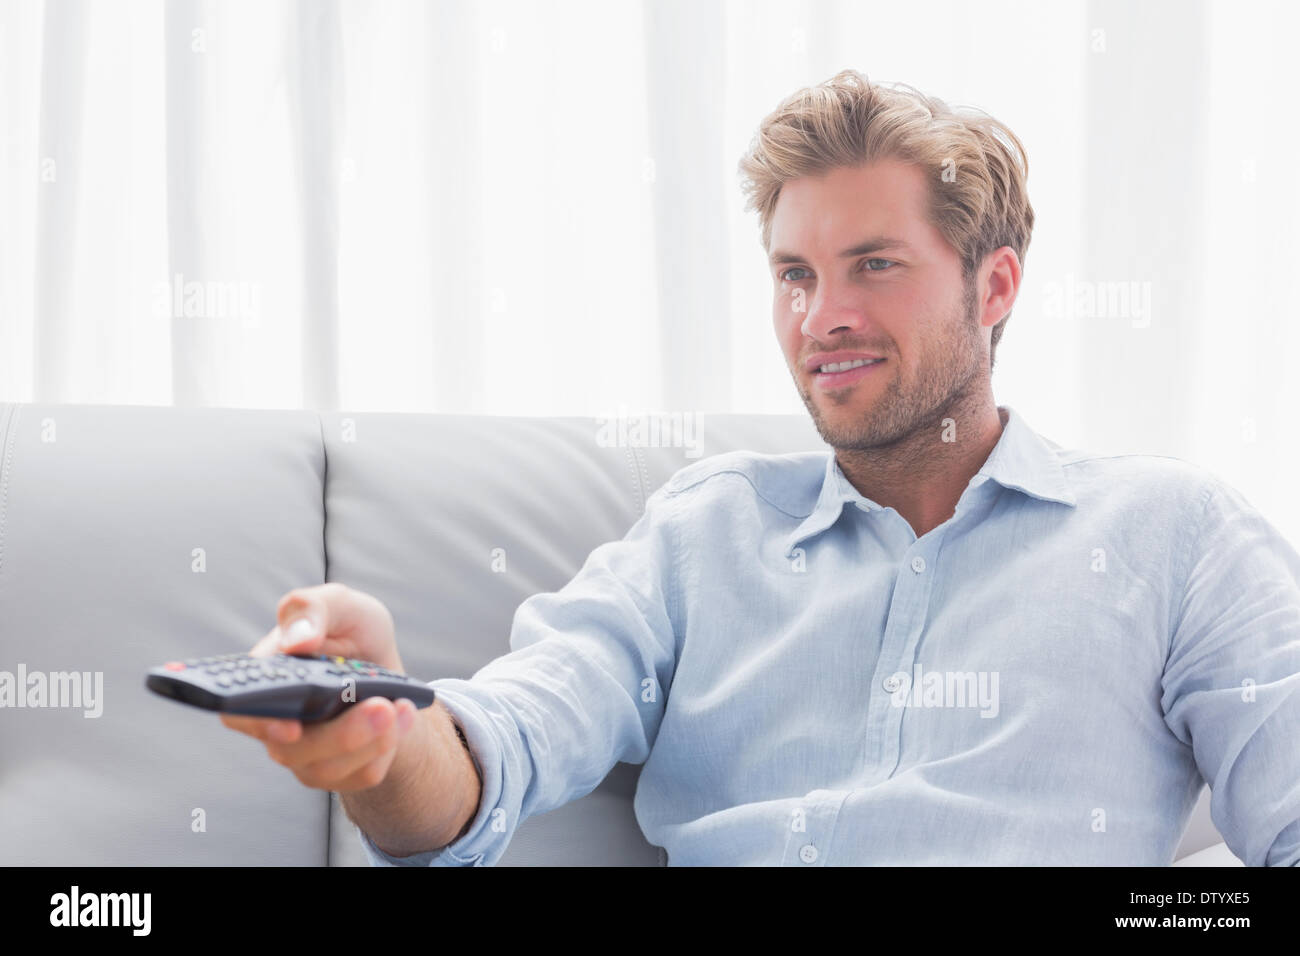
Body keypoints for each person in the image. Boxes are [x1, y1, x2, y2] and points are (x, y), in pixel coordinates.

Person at [220, 69, 1300, 866]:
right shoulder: (704, 534)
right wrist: (382, 740)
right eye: (794, 273)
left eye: (872, 265)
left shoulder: (1174, 536)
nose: (821, 316)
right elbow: (504, 740)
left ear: (996, 284)